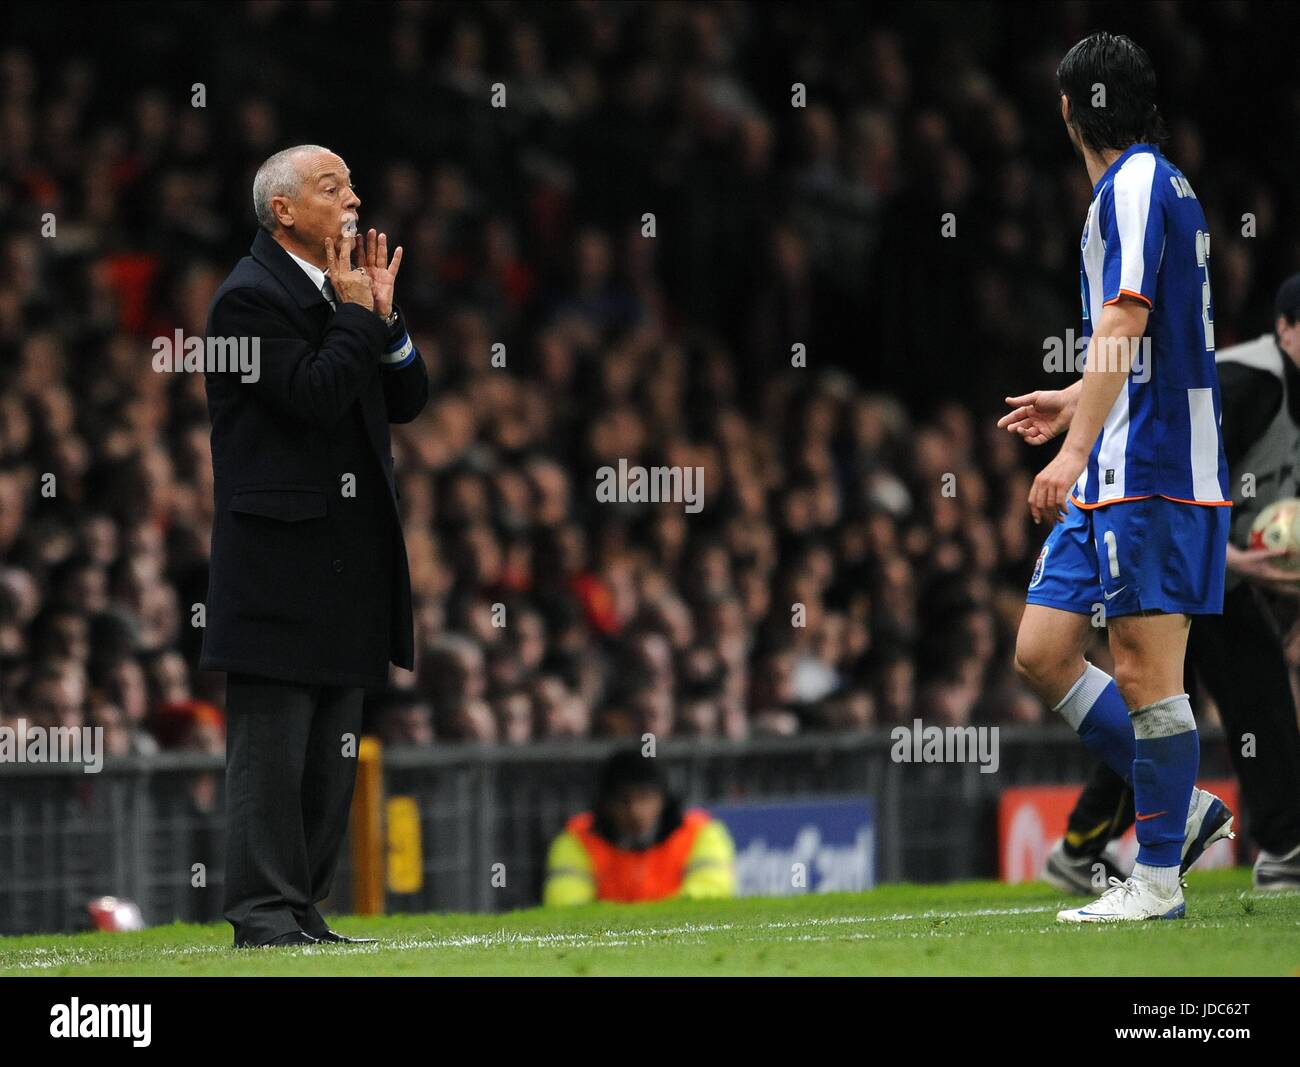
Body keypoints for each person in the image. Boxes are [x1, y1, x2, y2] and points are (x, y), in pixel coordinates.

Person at [999, 33, 1233, 922]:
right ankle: (1189, 809)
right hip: (1118, 452)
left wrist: (1070, 446)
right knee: (1044, 648)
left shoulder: (1136, 182)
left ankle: (1158, 881)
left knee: (1144, 673)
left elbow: (1128, 313)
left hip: (1154, 463)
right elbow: (1148, 331)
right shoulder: (1156, 185)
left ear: (1069, 110)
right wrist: (1075, 406)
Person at [203, 145, 428, 947]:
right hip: (279, 568)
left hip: (347, 565)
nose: (354, 197)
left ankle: (302, 910)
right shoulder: (245, 302)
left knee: (331, 756)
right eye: (332, 187)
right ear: (284, 211)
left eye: (352, 182)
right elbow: (314, 396)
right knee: (273, 753)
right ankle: (262, 912)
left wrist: (387, 319)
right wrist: (358, 317)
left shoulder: (349, 295)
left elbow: (408, 397)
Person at [1041, 274, 1300, 894]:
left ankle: (1284, 846)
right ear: (1286, 330)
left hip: (1208, 561)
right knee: (1162, 702)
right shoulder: (1252, 383)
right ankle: (1086, 846)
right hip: (1170, 539)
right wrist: (1237, 560)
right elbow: (1189, 467)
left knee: (1215, 698)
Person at [543, 749, 737, 905]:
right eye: (624, 800)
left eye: (644, 798)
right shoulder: (578, 839)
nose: (635, 811)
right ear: (606, 803)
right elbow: (566, 905)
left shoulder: (700, 832)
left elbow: (711, 895)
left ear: (663, 799)